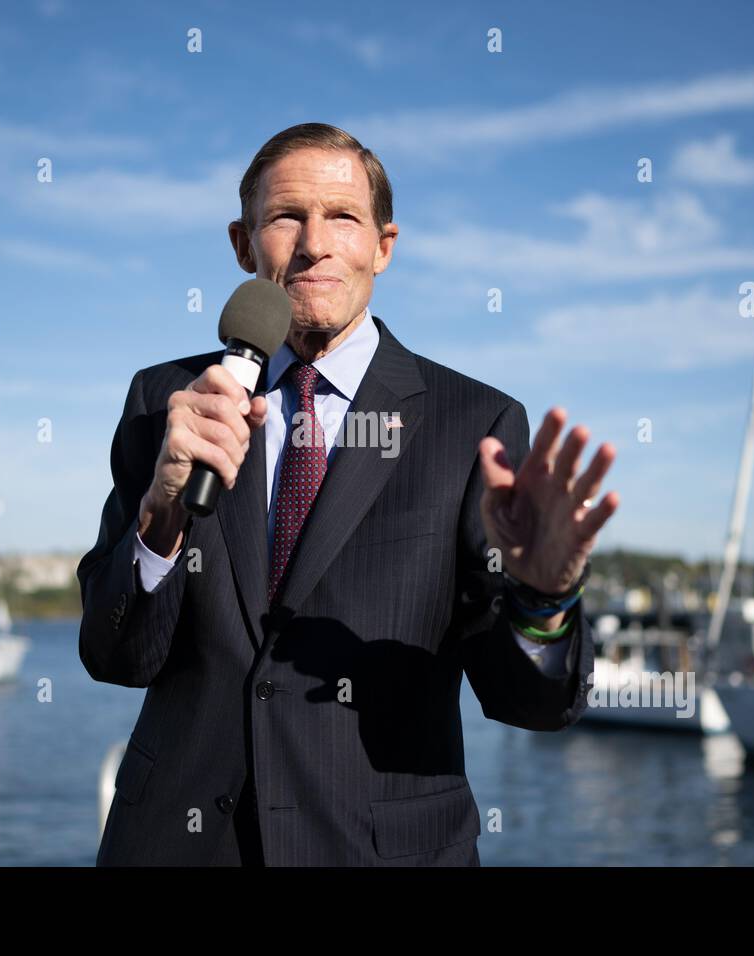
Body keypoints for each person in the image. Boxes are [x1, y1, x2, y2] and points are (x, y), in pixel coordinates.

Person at [79, 123, 618, 866]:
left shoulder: (475, 423)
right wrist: (161, 516)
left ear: (383, 245)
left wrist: (544, 598)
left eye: (343, 217)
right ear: (243, 245)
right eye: (286, 217)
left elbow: (530, 703)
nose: (314, 244)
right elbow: (115, 656)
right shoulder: (166, 402)